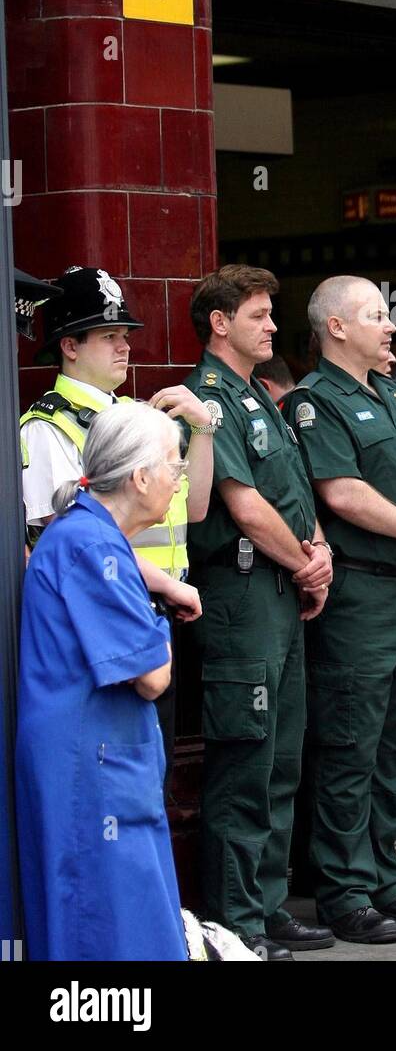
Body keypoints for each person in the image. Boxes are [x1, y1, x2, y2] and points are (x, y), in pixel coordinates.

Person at [282, 276, 396, 944]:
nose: (390, 326)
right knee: (349, 747)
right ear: (335, 328)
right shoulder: (313, 403)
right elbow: (342, 494)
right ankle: (343, 891)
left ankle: (388, 877)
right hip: (359, 595)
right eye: (375, 315)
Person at [183, 265, 334, 961]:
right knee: (244, 761)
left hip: (279, 593)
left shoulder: (255, 397)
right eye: (259, 315)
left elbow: (293, 495)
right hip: (242, 597)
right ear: (220, 323)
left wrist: (319, 556)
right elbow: (243, 508)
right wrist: (306, 564)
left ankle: (268, 906)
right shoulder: (207, 397)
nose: (273, 327)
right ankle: (234, 921)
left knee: (280, 760)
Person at [19, 265, 210, 789]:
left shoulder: (133, 415)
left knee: (155, 777)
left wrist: (202, 428)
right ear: (69, 346)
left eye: (125, 335)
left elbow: (194, 510)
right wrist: (168, 585)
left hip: (159, 614)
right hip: (106, 618)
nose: (124, 347)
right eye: (108, 336)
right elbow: (71, 544)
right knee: (121, 785)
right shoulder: (46, 426)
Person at [16, 402, 188, 961]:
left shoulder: (90, 534)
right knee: (110, 937)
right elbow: (153, 675)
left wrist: (162, 586)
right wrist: (162, 620)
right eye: (173, 466)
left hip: (105, 765)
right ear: (140, 478)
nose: (177, 478)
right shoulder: (90, 544)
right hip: (91, 773)